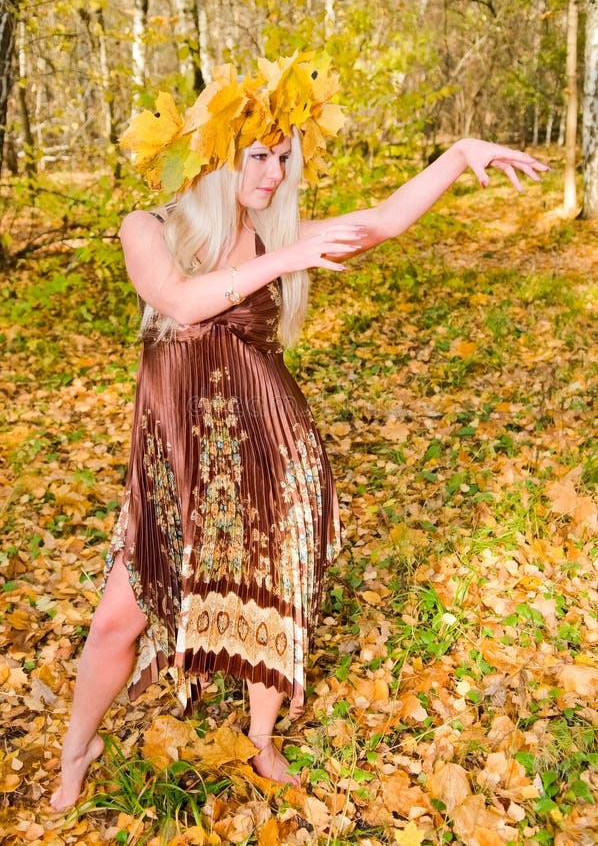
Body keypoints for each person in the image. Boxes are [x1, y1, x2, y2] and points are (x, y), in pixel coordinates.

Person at [51, 51, 548, 812]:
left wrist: (457, 156)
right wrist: (286, 254)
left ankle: (260, 738)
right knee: (121, 613)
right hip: (178, 460)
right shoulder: (145, 228)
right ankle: (77, 746)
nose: (274, 175)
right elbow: (180, 303)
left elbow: (380, 223)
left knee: (269, 593)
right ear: (218, 157)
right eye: (259, 157)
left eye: (284, 159)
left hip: (271, 448)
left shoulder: (277, 234)